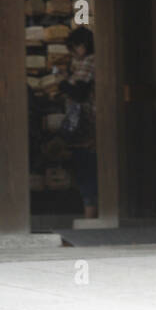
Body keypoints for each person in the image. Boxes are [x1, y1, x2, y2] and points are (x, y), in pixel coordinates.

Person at [57, 26, 97, 219]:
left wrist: (63, 83)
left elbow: (79, 92)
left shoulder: (88, 62)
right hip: (89, 123)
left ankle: (90, 210)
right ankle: (90, 208)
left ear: (81, 46)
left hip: (85, 123)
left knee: (85, 166)